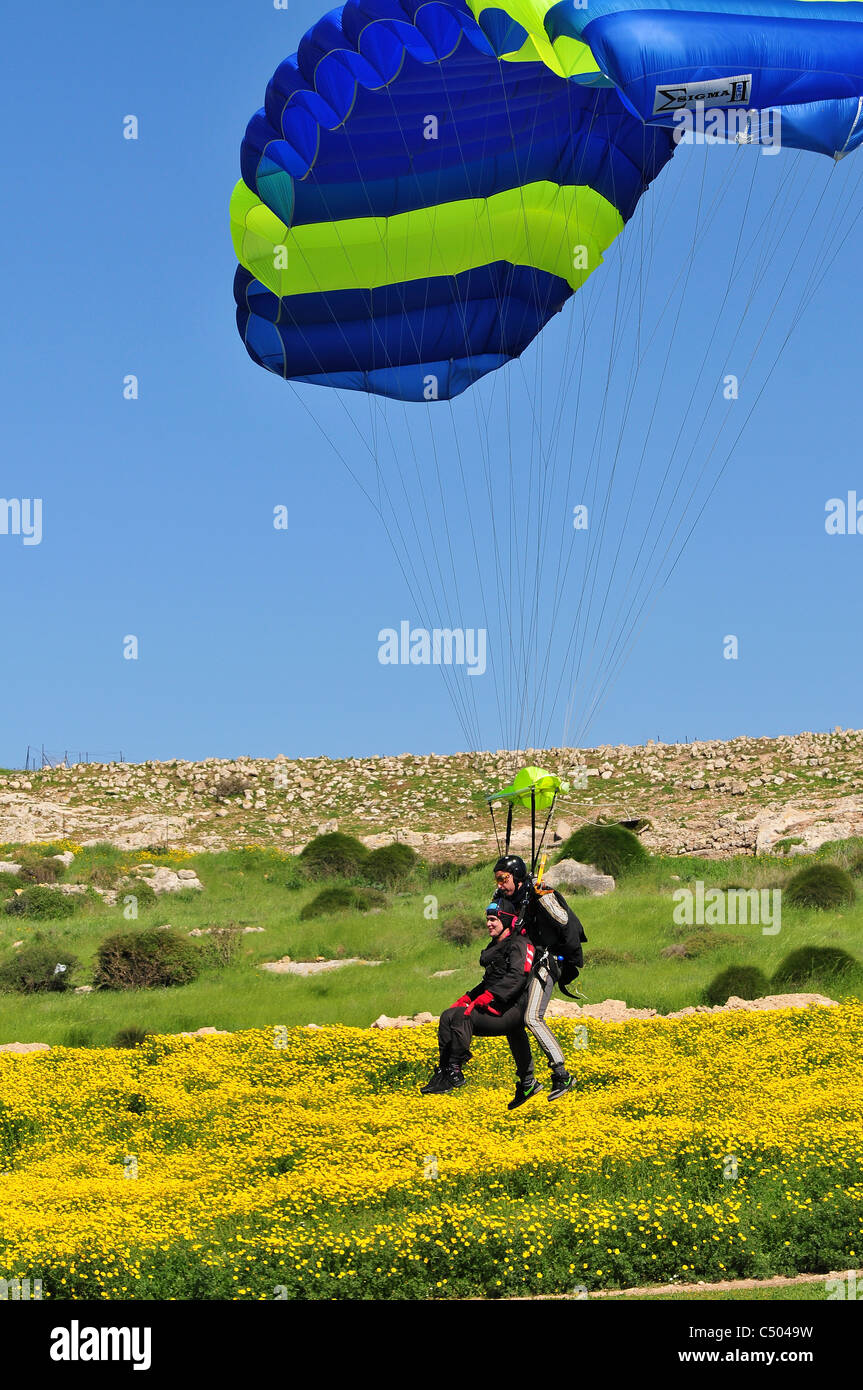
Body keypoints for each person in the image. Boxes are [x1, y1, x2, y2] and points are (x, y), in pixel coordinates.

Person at [421, 902, 543, 1109]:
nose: (488, 924)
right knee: (448, 1015)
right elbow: (490, 981)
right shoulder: (496, 947)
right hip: (498, 1006)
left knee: (461, 1017)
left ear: (505, 921)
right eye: (487, 919)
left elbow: (517, 977)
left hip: (511, 1010)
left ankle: (455, 1067)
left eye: (493, 919)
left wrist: (488, 997)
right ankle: (445, 1070)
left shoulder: (520, 944)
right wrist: (469, 997)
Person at [492, 853, 585, 1101]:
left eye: (503, 879)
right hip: (525, 964)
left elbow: (564, 920)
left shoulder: (541, 893)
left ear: (517, 877)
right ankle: (527, 1081)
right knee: (511, 1020)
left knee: (532, 1017)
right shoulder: (510, 900)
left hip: (548, 961)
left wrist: (542, 897)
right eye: (497, 880)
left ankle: (561, 1075)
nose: (499, 885)